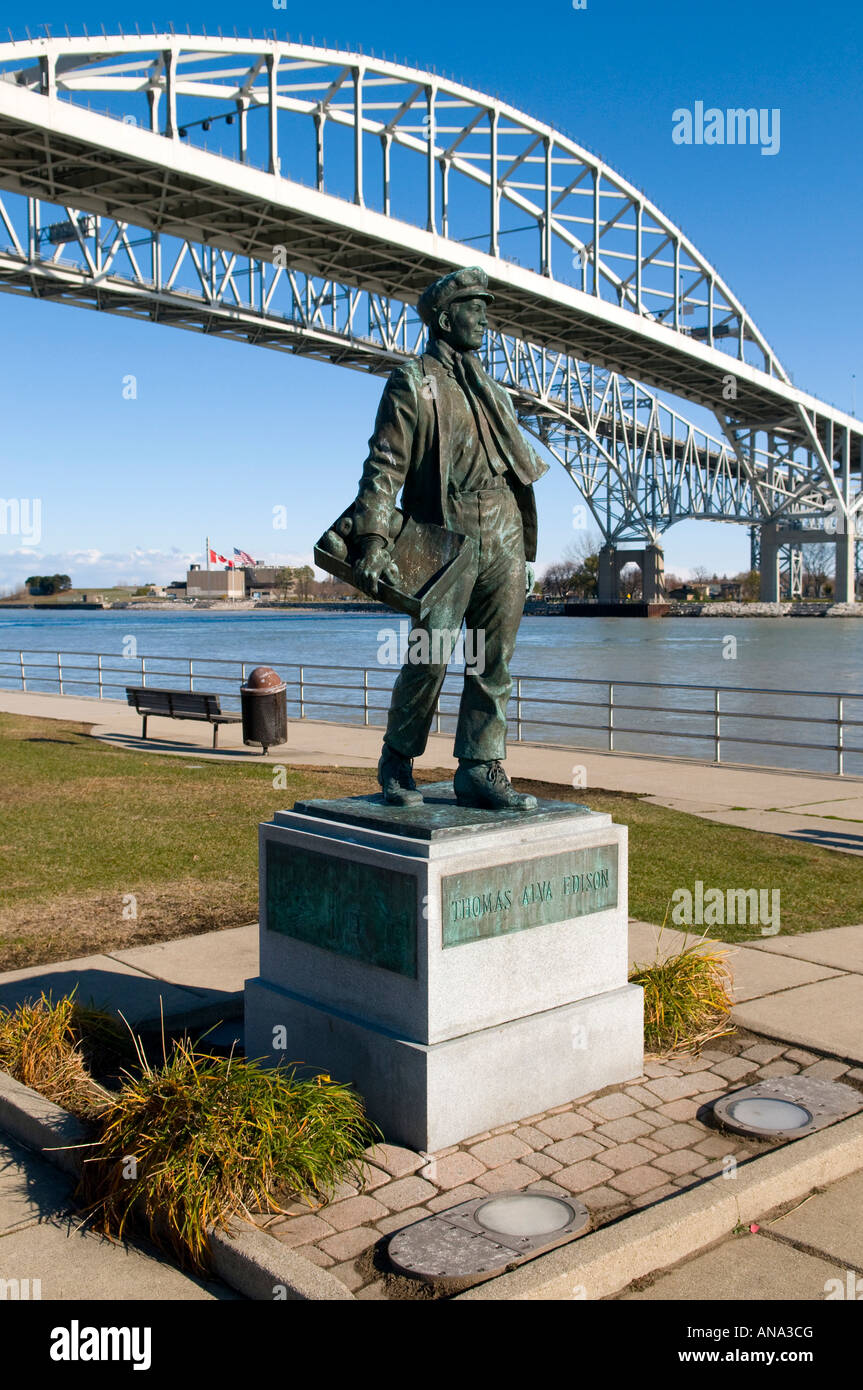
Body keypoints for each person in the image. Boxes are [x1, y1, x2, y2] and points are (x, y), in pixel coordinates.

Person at [351, 266, 548, 810]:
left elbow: (515, 471)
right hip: (445, 534)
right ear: (444, 316)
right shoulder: (413, 382)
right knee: (429, 654)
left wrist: (524, 554)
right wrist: (373, 539)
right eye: (473, 306)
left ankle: (480, 767)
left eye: (486, 304)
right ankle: (398, 757)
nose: (484, 315)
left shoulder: (494, 392)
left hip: (503, 531)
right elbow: (383, 466)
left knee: (494, 661)